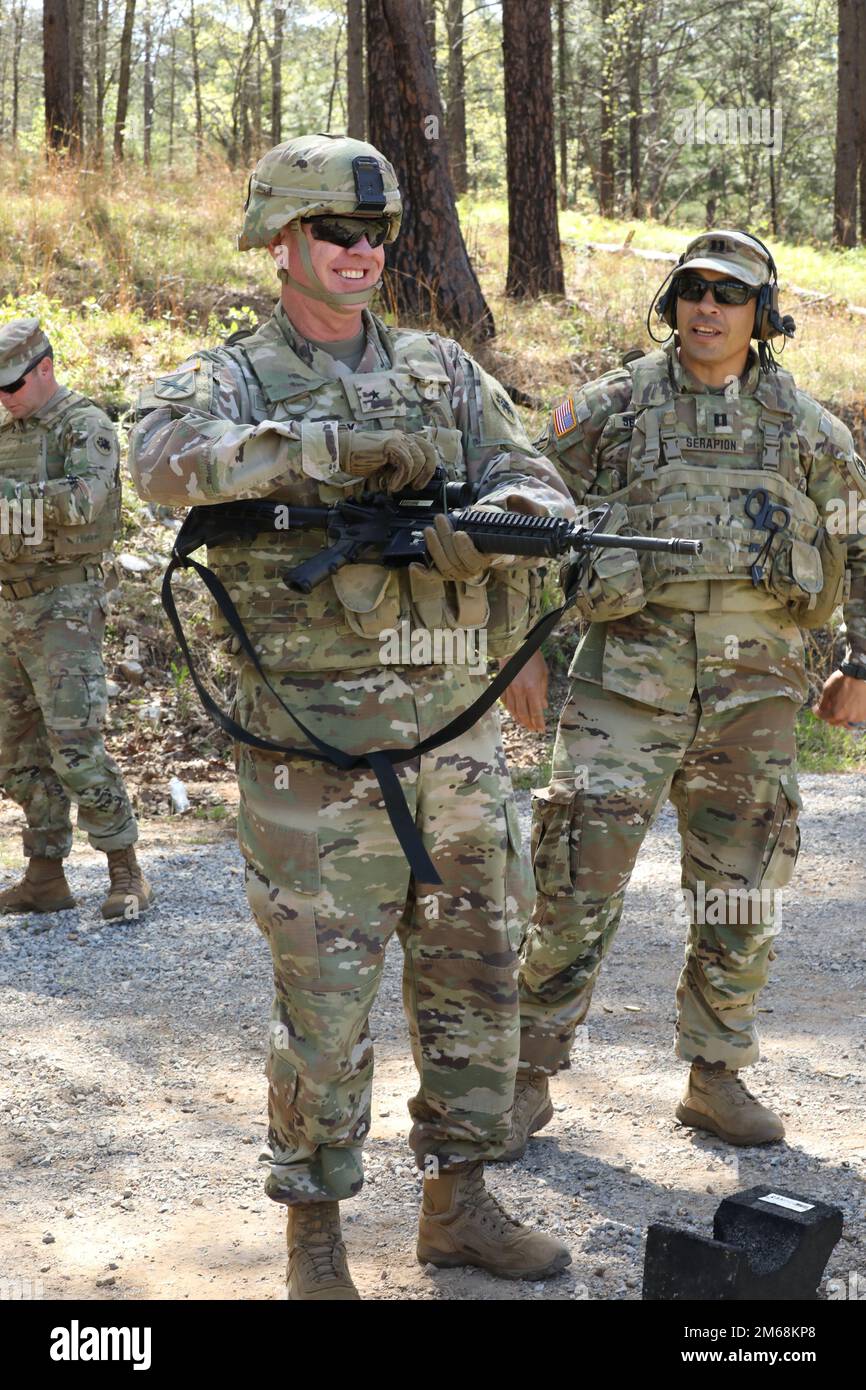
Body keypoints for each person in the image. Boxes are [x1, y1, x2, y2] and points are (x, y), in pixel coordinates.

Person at [128, 133, 576, 1300]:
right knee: (324, 1006)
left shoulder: (440, 371)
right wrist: (320, 451)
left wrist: (497, 518)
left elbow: (536, 476)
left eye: (375, 233)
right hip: (315, 756)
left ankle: (458, 1200)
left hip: (458, 746)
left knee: (476, 976)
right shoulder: (234, 376)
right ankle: (314, 1227)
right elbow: (161, 459)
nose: (359, 251)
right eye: (335, 231)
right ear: (280, 241)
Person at [503, 230, 866, 1154]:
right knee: (577, 873)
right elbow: (513, 508)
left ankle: (717, 1073)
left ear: (762, 313)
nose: (708, 307)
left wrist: (860, 662)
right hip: (626, 677)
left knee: (740, 888)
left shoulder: (809, 429)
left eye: (729, 293)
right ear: (671, 305)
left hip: (757, 692)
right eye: (692, 290)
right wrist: (519, 653)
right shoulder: (611, 409)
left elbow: (860, 542)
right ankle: (527, 1073)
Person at [0, 318, 152, 921]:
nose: (4, 397)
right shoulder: (7, 430)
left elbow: (84, 500)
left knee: (75, 744)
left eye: (11, 384)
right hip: (9, 602)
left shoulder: (83, 425)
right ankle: (44, 876)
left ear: (44, 367)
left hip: (63, 606)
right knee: (14, 751)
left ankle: (126, 872)